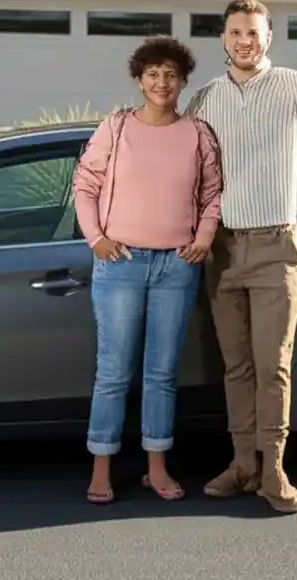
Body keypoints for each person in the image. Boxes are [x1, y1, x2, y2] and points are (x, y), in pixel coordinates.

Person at [185, 0, 297, 514]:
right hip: (224, 250)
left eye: (253, 32)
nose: (244, 40)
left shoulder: (290, 86)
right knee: (236, 367)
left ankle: (274, 470)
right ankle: (242, 465)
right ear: (223, 39)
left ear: (268, 37)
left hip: (276, 246)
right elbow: (183, 159)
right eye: (236, 32)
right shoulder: (207, 98)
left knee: (273, 365)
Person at [72, 35, 224, 505]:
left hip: (176, 266)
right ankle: (101, 468)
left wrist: (202, 239)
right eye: (153, 73)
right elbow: (85, 185)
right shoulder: (115, 128)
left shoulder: (198, 134)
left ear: (182, 82)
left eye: (171, 75)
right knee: (114, 372)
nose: (162, 82)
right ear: (139, 79)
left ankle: (156, 468)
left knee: (161, 374)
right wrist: (96, 238)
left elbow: (212, 194)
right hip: (121, 264)